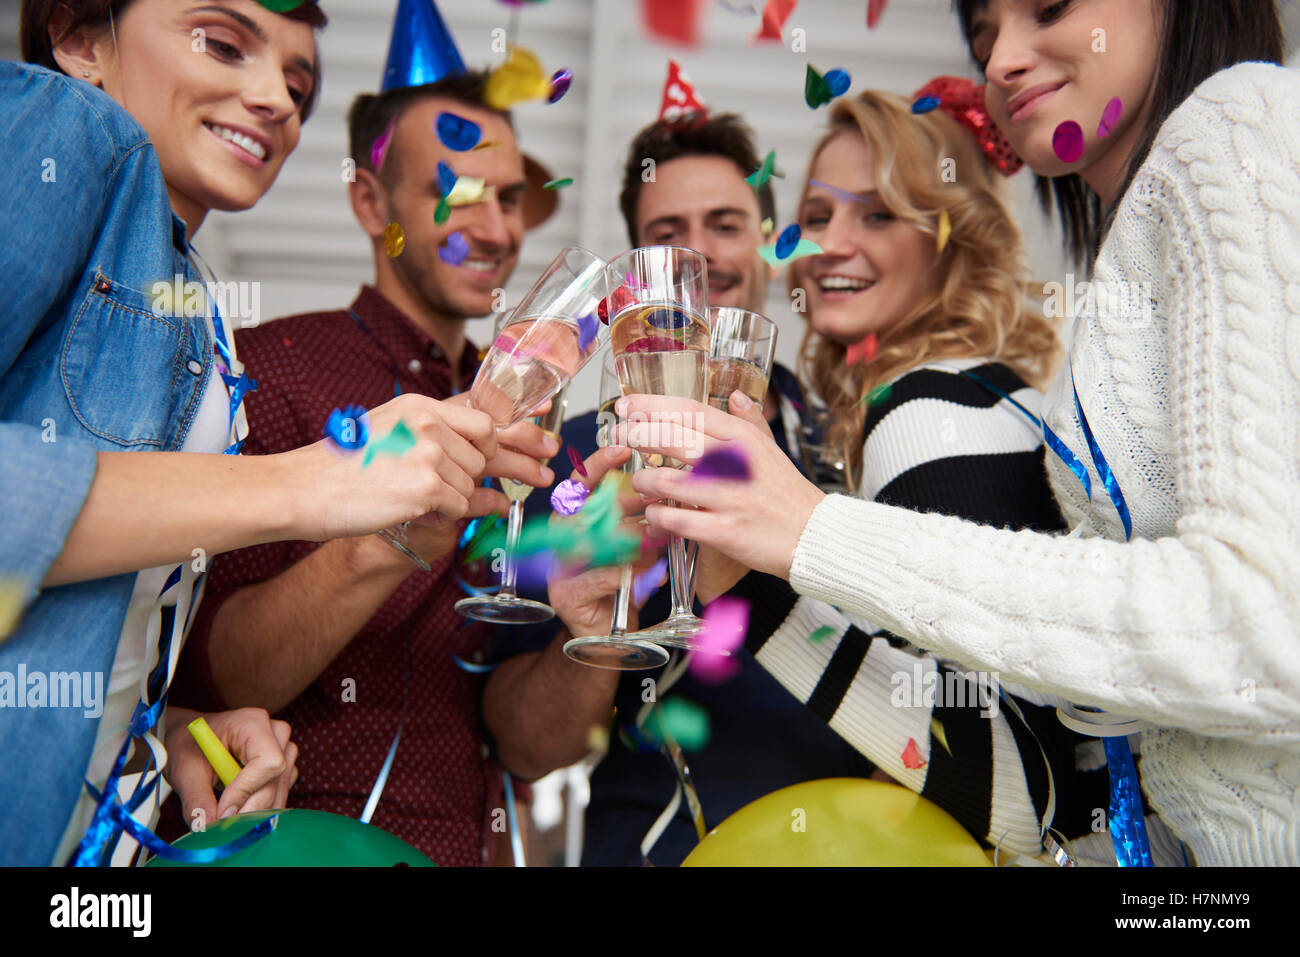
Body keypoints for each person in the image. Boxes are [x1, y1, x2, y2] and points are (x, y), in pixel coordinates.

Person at [620, 0, 1300, 866]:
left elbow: (1261, 629)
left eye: (879, 213)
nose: (1005, 59)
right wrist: (754, 581)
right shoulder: (1052, 351)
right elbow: (1041, 790)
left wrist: (804, 535)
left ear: (953, 237)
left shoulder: (925, 410)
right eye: (982, 37)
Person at [2, 0, 510, 868]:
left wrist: (174, 730)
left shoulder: (197, 309)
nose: (275, 95)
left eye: (298, 82)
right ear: (83, 39)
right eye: (225, 44)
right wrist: (315, 482)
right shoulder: (56, 130)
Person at [167, 66, 558, 866]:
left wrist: (600, 626)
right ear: (372, 204)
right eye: (455, 193)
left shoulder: (536, 423)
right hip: (294, 849)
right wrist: (388, 543)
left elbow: (533, 745)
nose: (493, 229)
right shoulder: (269, 368)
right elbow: (216, 678)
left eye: (508, 198)